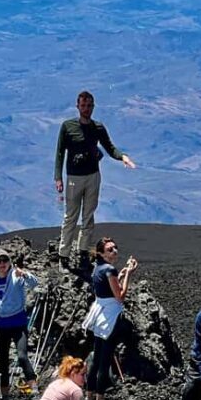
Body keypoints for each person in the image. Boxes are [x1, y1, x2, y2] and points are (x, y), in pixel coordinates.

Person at [54, 90, 136, 272]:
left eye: (89, 105)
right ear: (78, 106)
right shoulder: (68, 127)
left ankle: (83, 253)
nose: (86, 108)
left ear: (93, 107)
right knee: (70, 217)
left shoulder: (97, 128)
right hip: (74, 178)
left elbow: (109, 147)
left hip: (93, 177)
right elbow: (60, 152)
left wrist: (123, 157)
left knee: (88, 217)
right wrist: (58, 177)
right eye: (83, 105)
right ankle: (64, 256)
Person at [82, 237, 138, 400]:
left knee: (96, 359)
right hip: (110, 317)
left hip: (99, 315)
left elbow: (106, 287)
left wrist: (119, 275)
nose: (114, 251)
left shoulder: (98, 268)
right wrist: (128, 273)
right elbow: (120, 296)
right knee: (104, 360)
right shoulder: (109, 269)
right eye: (110, 249)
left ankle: (89, 397)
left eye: (115, 248)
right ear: (101, 253)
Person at [0, 248, 39, 400]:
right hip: (1, 325)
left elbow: (34, 284)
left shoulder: (16, 276)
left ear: (10, 262)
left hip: (18, 324)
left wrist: (26, 274)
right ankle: (4, 397)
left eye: (5, 261)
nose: (2, 264)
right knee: (3, 361)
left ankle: (34, 391)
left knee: (22, 356)